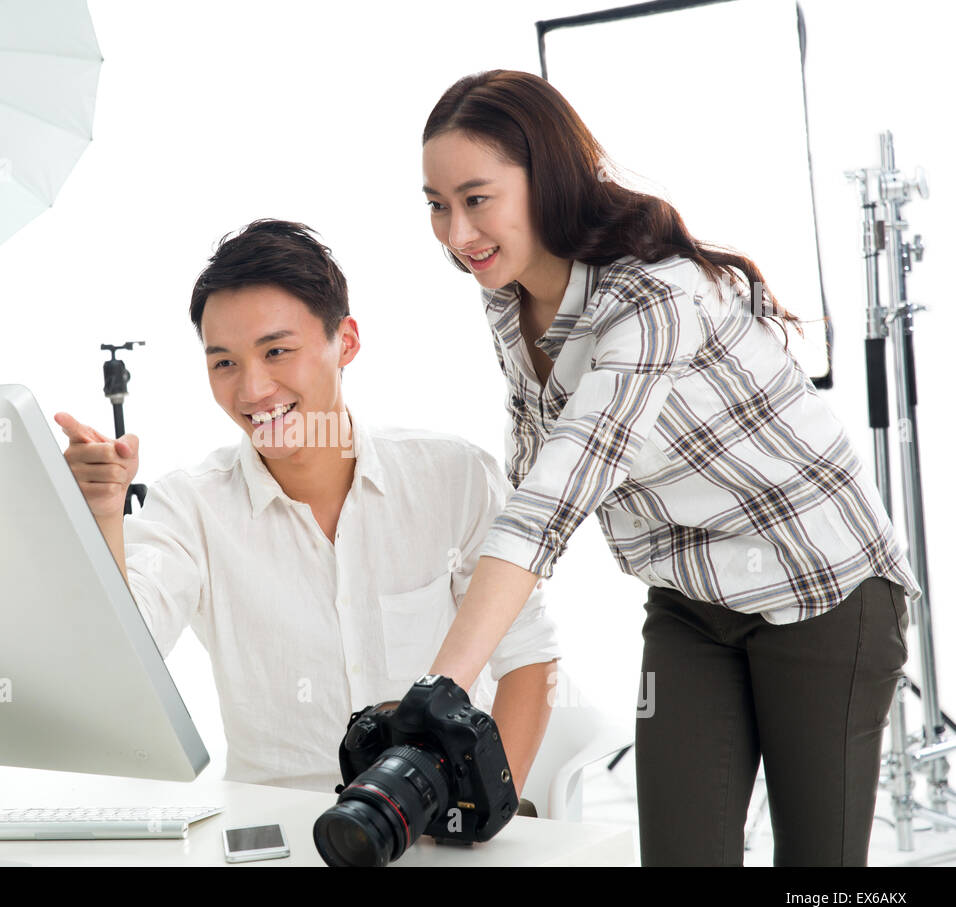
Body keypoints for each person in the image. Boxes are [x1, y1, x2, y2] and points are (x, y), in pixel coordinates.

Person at [417, 70, 920, 866]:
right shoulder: (507, 297)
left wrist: (438, 690)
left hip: (820, 590)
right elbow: (530, 475)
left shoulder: (654, 299)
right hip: (691, 602)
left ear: (545, 178)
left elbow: (554, 502)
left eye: (477, 198)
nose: (455, 232)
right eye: (437, 204)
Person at [54, 219, 558, 795]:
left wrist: (490, 815)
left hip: (438, 825)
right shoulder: (191, 506)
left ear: (345, 342)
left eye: (277, 351)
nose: (252, 390)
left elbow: (528, 655)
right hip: (278, 834)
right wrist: (101, 514)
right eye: (225, 363)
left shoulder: (454, 478)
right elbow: (121, 667)